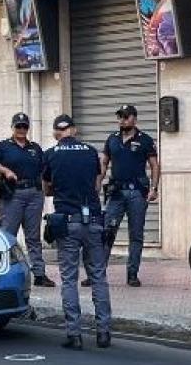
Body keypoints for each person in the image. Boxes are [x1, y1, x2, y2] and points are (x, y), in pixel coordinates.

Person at [42, 114, 111, 350]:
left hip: (68, 222)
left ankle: (75, 335)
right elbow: (96, 183)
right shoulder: (90, 152)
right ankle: (104, 333)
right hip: (93, 220)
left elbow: (47, 189)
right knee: (98, 277)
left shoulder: (50, 154)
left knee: (69, 279)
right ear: (74, 130)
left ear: (56, 133)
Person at [0, 112, 54, 288]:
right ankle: (5, 273)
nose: (21, 129)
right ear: (12, 127)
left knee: (33, 237)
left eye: (24, 126)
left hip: (34, 194)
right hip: (12, 194)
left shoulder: (35, 148)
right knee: (8, 235)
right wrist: (5, 171)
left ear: (28, 128)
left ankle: (39, 274)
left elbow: (45, 169)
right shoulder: (4, 146)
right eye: (18, 126)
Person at [99, 104, 160, 287]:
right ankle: (97, 273)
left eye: (126, 117)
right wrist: (96, 184)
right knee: (107, 232)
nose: (122, 120)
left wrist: (154, 188)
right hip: (116, 193)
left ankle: (132, 274)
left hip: (137, 194)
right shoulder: (112, 139)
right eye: (120, 117)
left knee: (136, 235)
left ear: (134, 118)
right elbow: (104, 164)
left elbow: (154, 165)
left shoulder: (145, 140)